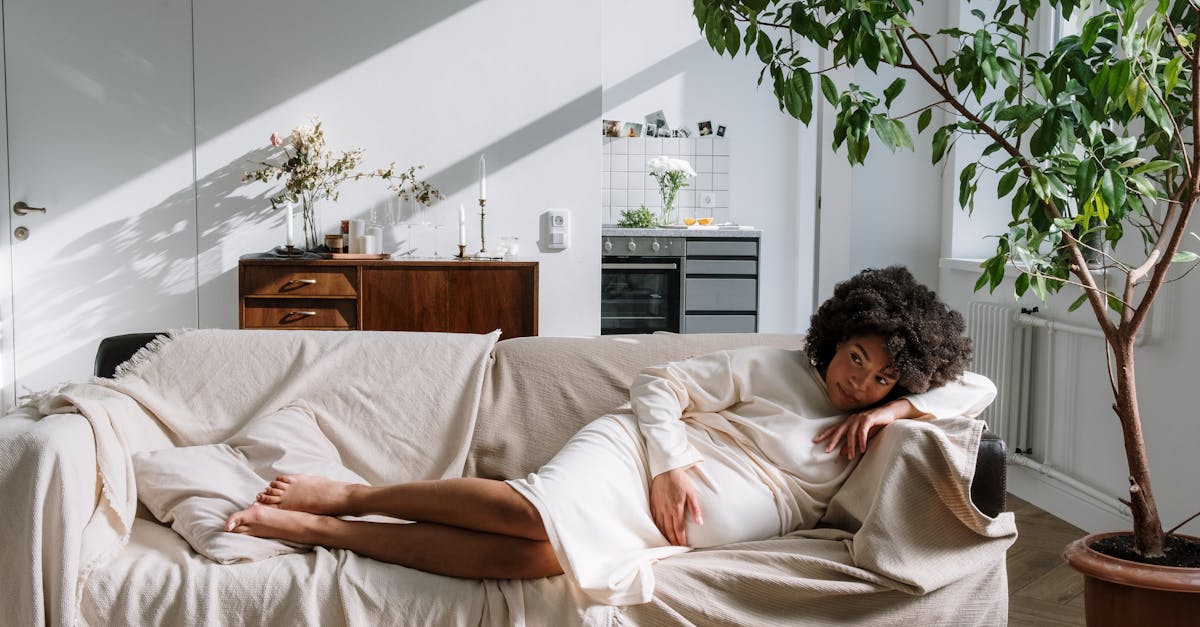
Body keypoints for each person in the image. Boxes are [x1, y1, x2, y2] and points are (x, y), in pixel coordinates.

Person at [225, 266, 995, 605]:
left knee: (537, 559)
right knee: (533, 514)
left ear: (905, 379)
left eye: (879, 377)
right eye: (854, 358)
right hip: (641, 457)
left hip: (677, 525)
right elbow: (659, 385)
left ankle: (326, 530)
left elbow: (979, 386)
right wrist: (671, 465)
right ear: (837, 336)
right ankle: (352, 495)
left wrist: (896, 412)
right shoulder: (777, 366)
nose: (856, 382)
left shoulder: (888, 407)